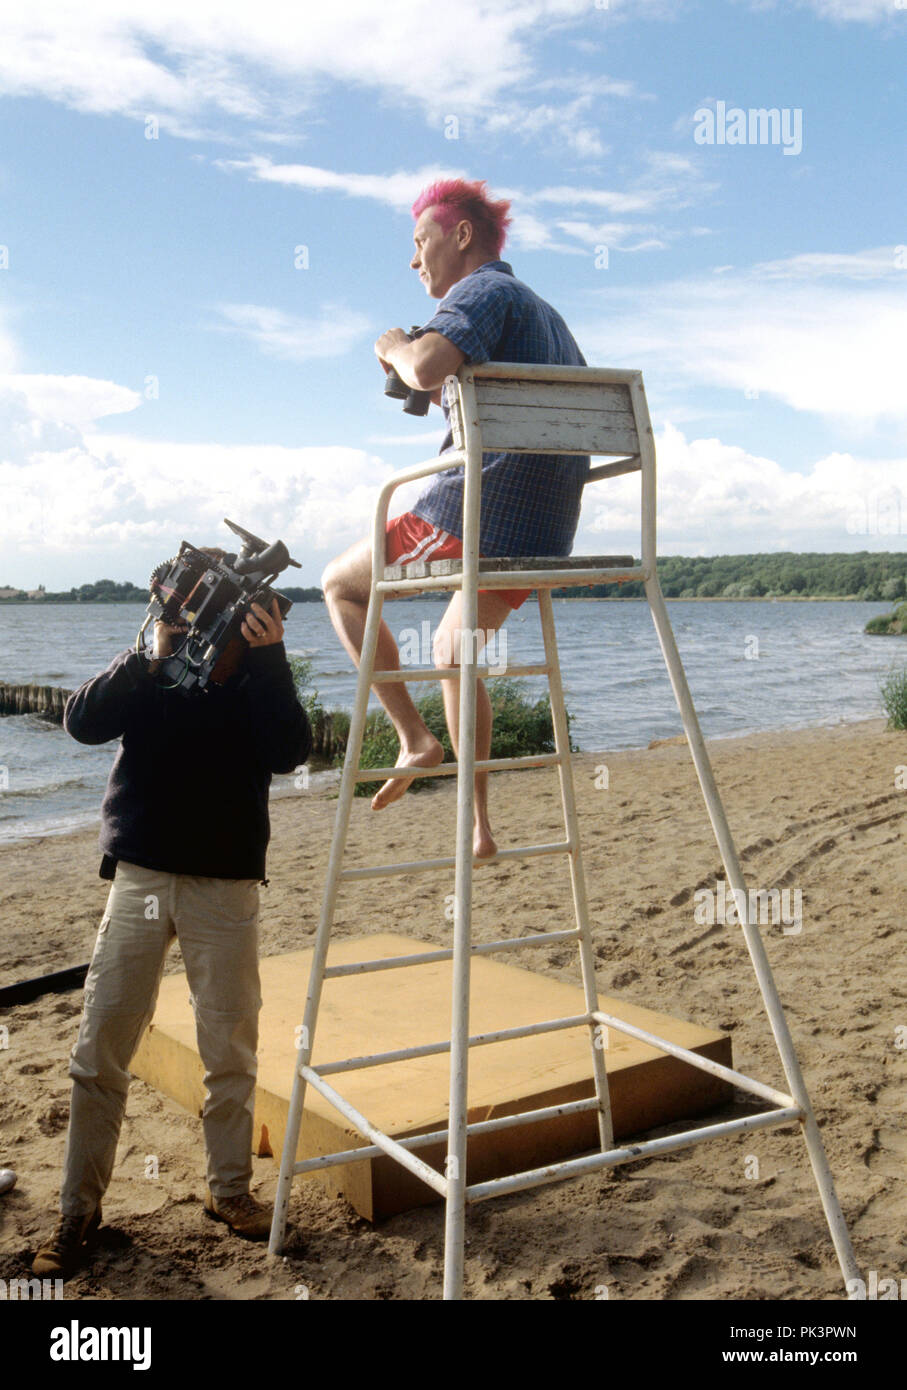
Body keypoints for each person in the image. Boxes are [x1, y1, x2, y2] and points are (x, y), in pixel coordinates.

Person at [32, 565, 312, 1279]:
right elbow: (81, 723)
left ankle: (229, 1195)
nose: (209, 628)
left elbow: (289, 751)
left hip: (225, 881)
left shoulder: (256, 678)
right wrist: (149, 653)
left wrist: (271, 656)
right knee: (101, 1048)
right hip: (143, 874)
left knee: (231, 1049)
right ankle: (78, 1214)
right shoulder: (152, 670)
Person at [322, 177, 589, 859]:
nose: (414, 261)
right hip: (544, 530)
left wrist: (393, 349)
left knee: (340, 586)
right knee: (451, 649)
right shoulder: (547, 318)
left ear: (460, 235)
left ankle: (414, 739)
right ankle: (478, 828)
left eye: (420, 242)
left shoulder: (481, 291)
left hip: (478, 507)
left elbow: (424, 364)